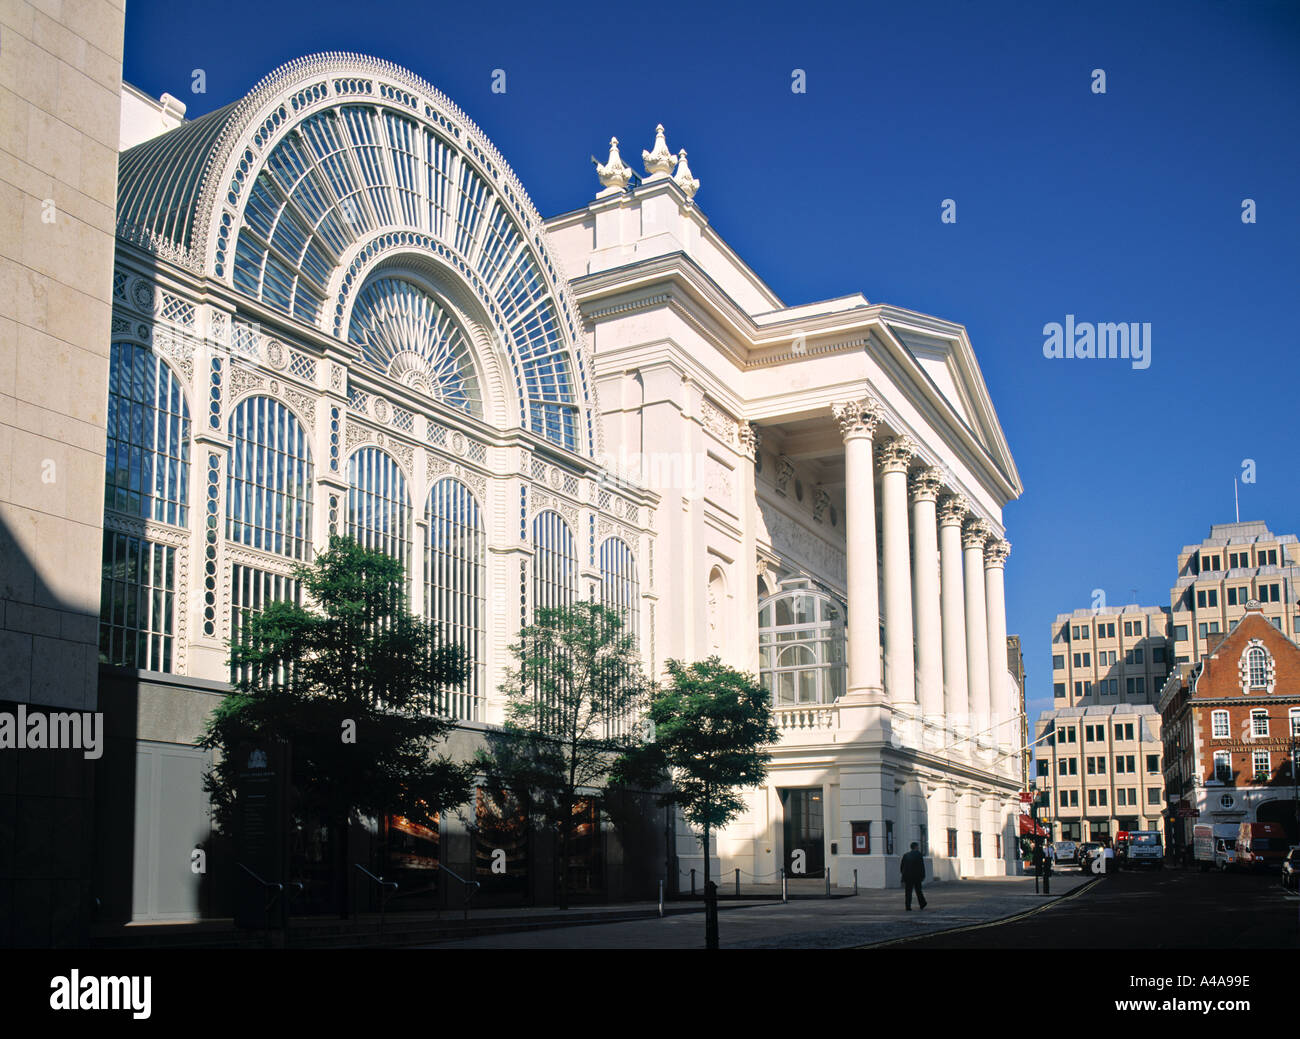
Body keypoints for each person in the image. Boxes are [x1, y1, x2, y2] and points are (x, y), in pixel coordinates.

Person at [900, 841, 927, 910]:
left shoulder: (906, 855)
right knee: (918, 891)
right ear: (916, 847)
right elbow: (921, 866)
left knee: (908, 892)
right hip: (916, 876)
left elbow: (902, 867)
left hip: (907, 876)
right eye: (917, 846)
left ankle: (908, 906)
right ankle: (922, 903)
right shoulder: (919, 855)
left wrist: (903, 875)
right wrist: (923, 875)